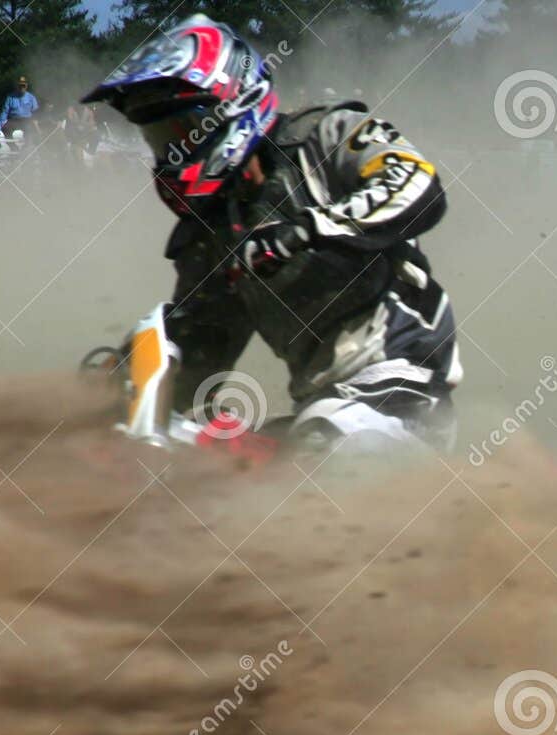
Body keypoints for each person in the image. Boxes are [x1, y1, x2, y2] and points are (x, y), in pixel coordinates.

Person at [81, 14, 460, 451]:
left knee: (325, 444)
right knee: (193, 460)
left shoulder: (326, 136)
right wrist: (130, 381)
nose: (172, 150)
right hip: (321, 411)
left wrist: (309, 231)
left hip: (405, 392)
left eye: (182, 130)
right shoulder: (210, 231)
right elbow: (206, 348)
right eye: (158, 137)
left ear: (231, 105)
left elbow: (418, 184)